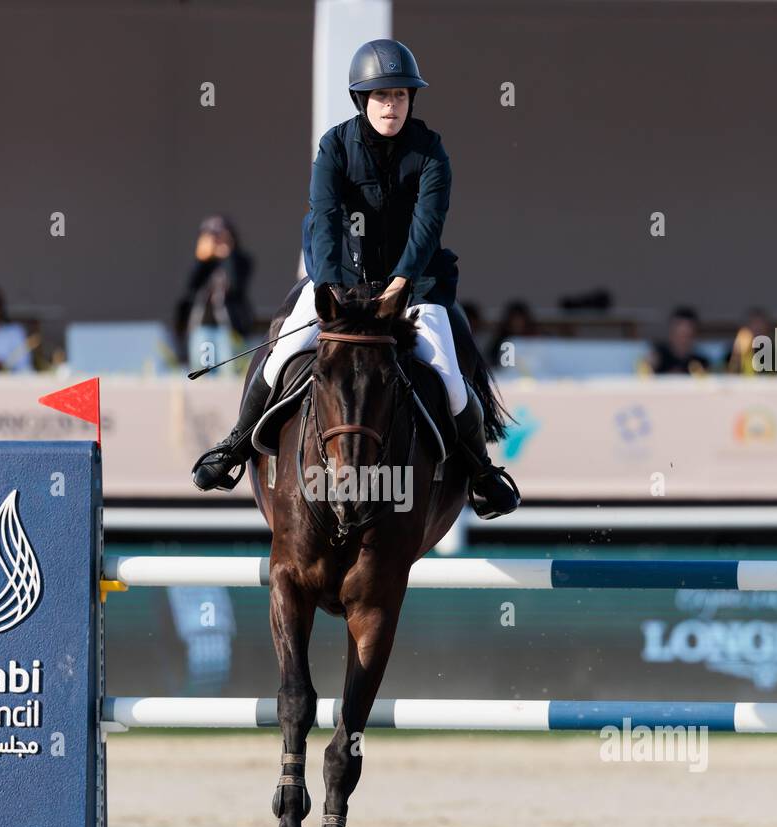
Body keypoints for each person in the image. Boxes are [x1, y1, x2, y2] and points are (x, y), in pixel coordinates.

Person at [190, 39, 519, 518]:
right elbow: (322, 220)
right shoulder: (335, 147)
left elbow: (428, 226)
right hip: (341, 284)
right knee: (284, 352)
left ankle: (483, 474)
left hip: (416, 285)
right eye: (382, 97)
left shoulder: (430, 151)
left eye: (401, 96)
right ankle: (235, 446)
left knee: (447, 375)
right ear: (362, 101)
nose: (392, 105)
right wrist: (325, 287)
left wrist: (402, 280)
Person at [175, 214, 255, 366]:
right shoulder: (204, 263)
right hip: (201, 327)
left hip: (230, 328)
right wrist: (201, 259)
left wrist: (227, 254)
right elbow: (191, 287)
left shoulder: (241, 260)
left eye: (220, 235)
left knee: (230, 373)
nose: (216, 240)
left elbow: (236, 287)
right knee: (203, 373)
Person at [649, 307, 709, 374]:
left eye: (687, 336)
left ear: (695, 335)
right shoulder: (658, 357)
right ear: (671, 333)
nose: (683, 341)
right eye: (679, 335)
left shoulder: (700, 362)